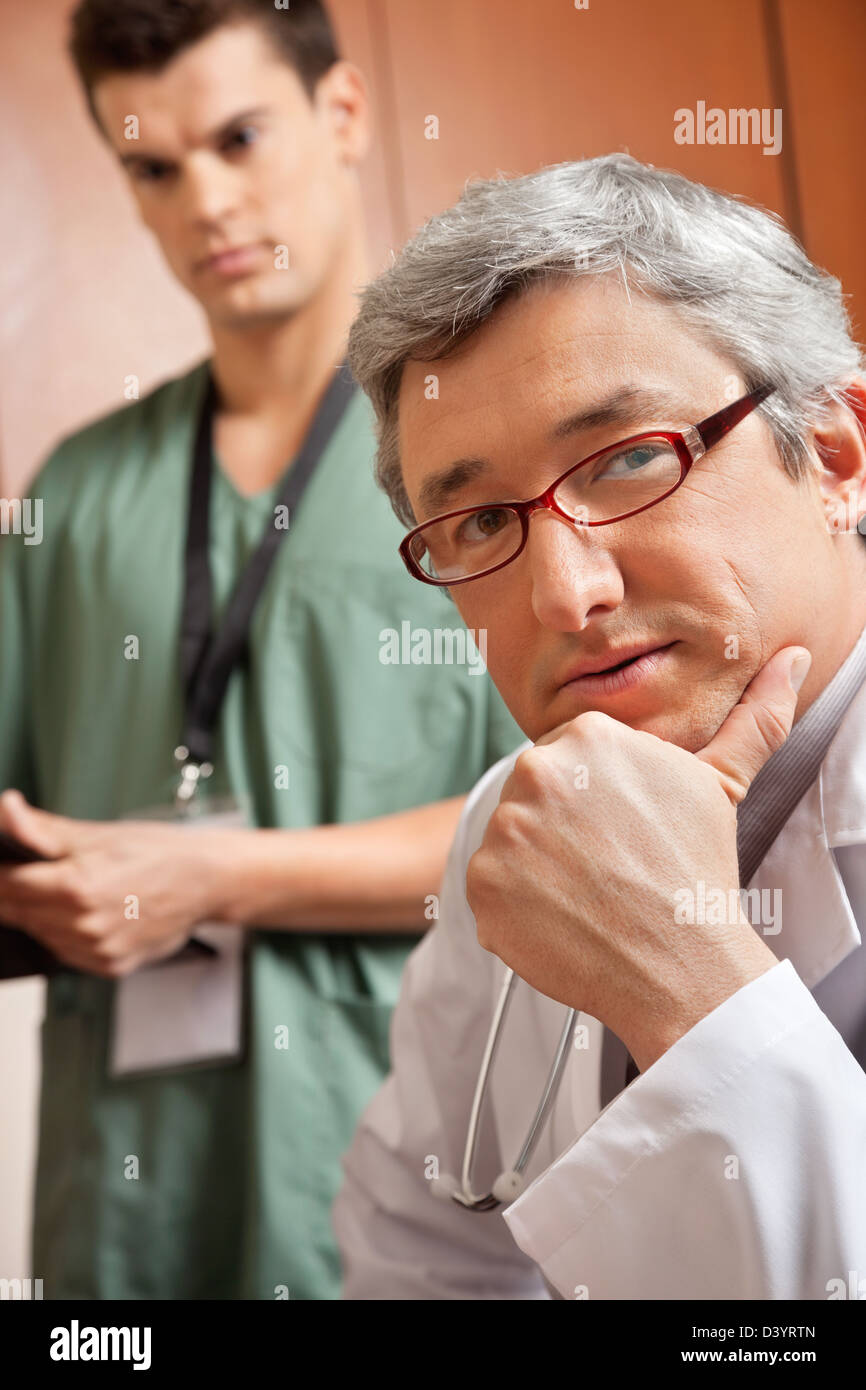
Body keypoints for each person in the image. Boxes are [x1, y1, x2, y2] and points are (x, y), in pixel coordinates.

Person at [0, 0, 523, 1300]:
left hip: (400, 1181)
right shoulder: (76, 490)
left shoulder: (492, 456)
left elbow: (554, 833)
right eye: (154, 168)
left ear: (340, 114)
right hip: (124, 1211)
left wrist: (211, 874)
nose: (207, 203)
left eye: (240, 138)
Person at [333, 153, 866, 1299]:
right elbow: (417, 1255)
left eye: (628, 461)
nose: (563, 595)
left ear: (832, 454)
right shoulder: (514, 828)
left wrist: (684, 982)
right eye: (477, 522)